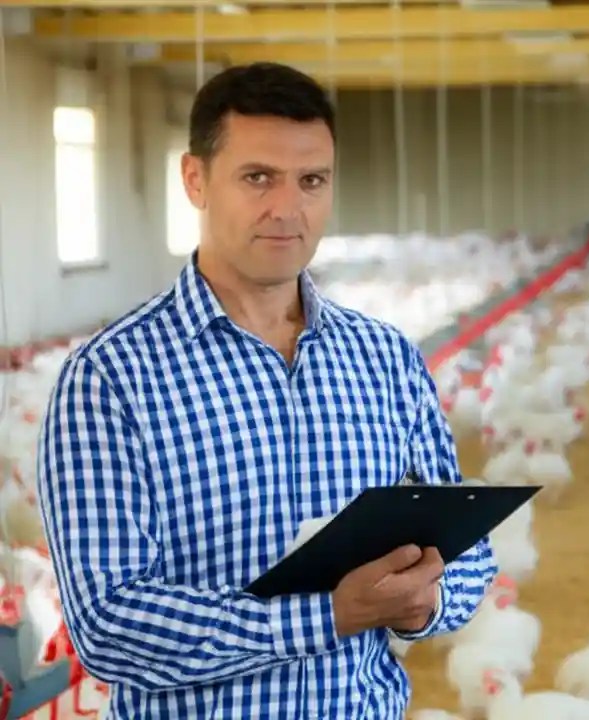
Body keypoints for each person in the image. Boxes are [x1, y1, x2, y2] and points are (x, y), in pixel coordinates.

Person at [35, 62, 495, 718]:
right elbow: (108, 625)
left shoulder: (386, 360)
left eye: (312, 181)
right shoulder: (112, 380)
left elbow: (467, 547)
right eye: (258, 178)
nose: (288, 209)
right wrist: (326, 616)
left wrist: (428, 599)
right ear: (195, 180)